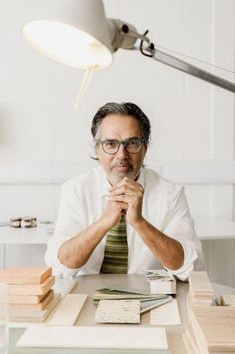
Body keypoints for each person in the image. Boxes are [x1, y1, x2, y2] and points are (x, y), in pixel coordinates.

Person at [45, 102, 203, 280]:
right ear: (97, 149)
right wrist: (104, 222)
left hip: (148, 296)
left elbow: (191, 268)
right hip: (85, 295)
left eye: (132, 143)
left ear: (145, 149)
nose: (122, 155)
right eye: (111, 144)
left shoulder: (170, 193)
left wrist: (139, 222)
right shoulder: (75, 189)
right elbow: (58, 266)